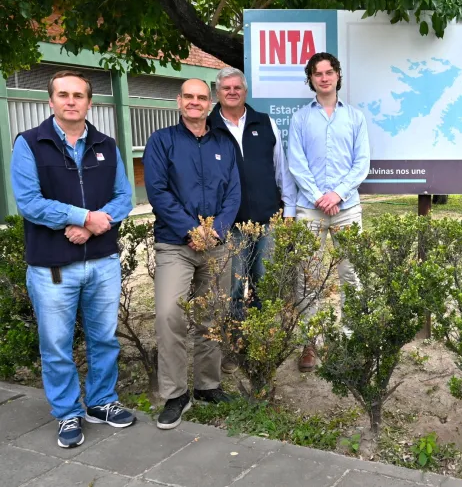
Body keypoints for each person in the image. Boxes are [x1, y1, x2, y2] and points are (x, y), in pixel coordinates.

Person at [10, 70, 135, 448]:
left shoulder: (107, 145)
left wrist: (93, 226)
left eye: (78, 95)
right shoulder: (29, 144)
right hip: (53, 268)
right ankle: (67, 413)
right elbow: (29, 203)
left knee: (103, 339)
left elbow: (124, 198)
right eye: (63, 94)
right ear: (51, 101)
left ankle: (100, 402)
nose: (71, 101)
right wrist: (81, 216)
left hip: (101, 262)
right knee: (57, 344)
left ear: (89, 102)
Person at [144, 78, 241, 429]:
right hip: (175, 244)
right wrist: (191, 230)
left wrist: (216, 229)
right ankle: (174, 394)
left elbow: (233, 192)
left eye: (202, 97)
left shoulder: (223, 144)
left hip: (216, 244)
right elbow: (157, 191)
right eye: (189, 96)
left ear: (210, 102)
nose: (195, 102)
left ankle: (208, 386)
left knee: (212, 315)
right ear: (179, 101)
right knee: (169, 314)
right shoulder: (161, 141)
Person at [208, 67, 296, 373]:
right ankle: (236, 343)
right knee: (233, 286)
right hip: (230, 226)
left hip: (267, 220)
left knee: (264, 284)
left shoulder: (265, 122)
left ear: (245, 91)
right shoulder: (208, 127)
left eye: (237, 87)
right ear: (217, 93)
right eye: (226, 88)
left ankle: (259, 339)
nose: (232, 92)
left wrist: (288, 208)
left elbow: (281, 169)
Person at [286, 52, 370, 372]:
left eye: (328, 72)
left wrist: (337, 194)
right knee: (308, 276)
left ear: (337, 75)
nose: (324, 77)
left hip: (346, 208)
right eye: (317, 73)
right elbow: (297, 163)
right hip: (310, 209)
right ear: (311, 80)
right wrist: (320, 196)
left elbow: (361, 163)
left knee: (352, 273)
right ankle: (311, 341)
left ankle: (352, 336)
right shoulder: (300, 118)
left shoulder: (355, 118)